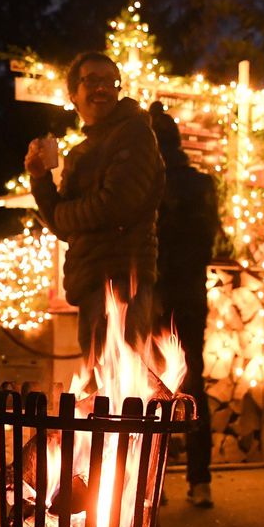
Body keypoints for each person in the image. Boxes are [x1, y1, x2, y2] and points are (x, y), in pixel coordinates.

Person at [25, 51, 164, 358]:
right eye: (92, 80)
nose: (102, 88)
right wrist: (40, 178)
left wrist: (63, 214)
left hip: (124, 279)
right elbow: (62, 226)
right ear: (73, 95)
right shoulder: (80, 153)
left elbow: (116, 205)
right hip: (89, 280)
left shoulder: (135, 134)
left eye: (109, 81)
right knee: (99, 380)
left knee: (121, 379)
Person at [148, 101, 218, 508]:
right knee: (194, 385)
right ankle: (200, 481)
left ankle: (153, 483)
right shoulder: (203, 185)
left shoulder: (148, 183)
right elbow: (210, 241)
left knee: (151, 386)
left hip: (155, 296)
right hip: (192, 294)